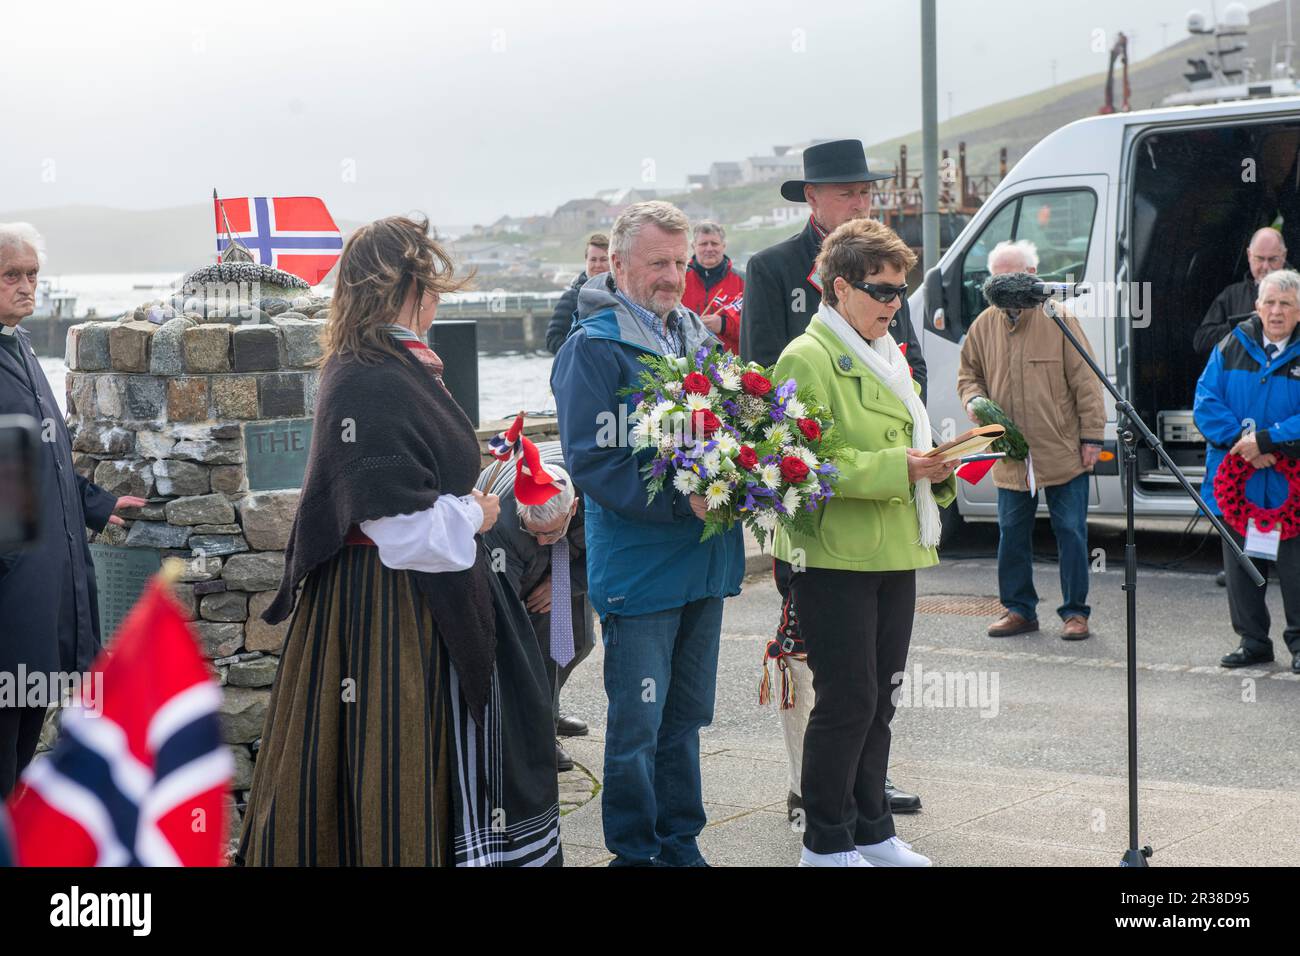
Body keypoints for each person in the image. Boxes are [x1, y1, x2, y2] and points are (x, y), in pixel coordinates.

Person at [238, 216, 560, 866]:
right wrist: (474, 511)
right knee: (390, 771)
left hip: (399, 605)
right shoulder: (371, 378)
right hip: (387, 618)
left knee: (398, 775)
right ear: (406, 287)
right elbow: (403, 531)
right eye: (431, 286)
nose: (438, 301)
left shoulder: (387, 366)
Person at [551, 201, 744, 867]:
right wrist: (678, 506)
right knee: (638, 724)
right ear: (622, 263)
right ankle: (634, 853)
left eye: (681, 262)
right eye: (658, 262)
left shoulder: (695, 334)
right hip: (639, 566)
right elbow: (592, 462)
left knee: (687, 718)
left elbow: (733, 425)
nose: (671, 275)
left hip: (706, 560)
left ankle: (679, 844)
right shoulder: (592, 346)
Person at [742, 138, 926, 817]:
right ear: (812, 198)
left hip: (887, 508)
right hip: (818, 502)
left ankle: (863, 792)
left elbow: (903, 355)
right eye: (847, 191)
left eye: (866, 190)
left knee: (873, 679)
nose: (860, 201)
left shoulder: (885, 261)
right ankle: (813, 792)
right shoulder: (772, 268)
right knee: (817, 661)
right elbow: (761, 383)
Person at [773, 217, 957, 867]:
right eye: (883, 291)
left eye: (900, 291)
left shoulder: (888, 352)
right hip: (836, 555)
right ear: (840, 288)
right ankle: (824, 843)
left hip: (894, 547)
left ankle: (872, 831)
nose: (895, 304)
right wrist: (899, 468)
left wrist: (936, 467)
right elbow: (793, 463)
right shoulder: (806, 355)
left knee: (880, 698)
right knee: (846, 701)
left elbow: (906, 439)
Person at [0, 222, 143, 798]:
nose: (27, 286)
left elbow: (42, 459)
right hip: (11, 599)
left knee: (22, 739)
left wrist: (99, 504)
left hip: (43, 593)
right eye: (12, 275)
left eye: (33, 275)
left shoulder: (22, 348)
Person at [957, 239, 1106, 640]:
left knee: (1071, 533)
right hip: (1009, 453)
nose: (1008, 283)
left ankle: (1075, 613)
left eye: (1016, 275)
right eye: (1000, 276)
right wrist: (974, 399)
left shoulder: (1059, 318)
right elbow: (968, 374)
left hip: (1062, 449)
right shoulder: (983, 324)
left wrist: (1092, 436)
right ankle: (1019, 609)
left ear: (1034, 276)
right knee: (1011, 534)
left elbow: (1086, 381)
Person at [1194, 268, 1300, 675]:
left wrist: (1270, 440)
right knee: (1243, 569)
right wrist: (1248, 443)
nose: (1276, 311)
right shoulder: (1229, 345)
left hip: (1288, 483)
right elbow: (1206, 402)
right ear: (1257, 306)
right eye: (1270, 303)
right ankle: (1253, 642)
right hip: (1237, 478)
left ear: (1297, 310)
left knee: (1295, 569)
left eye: (1286, 304)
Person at [478, 434, 595, 772]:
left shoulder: (594, 498)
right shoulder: (502, 525)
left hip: (568, 561)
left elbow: (608, 556)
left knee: (580, 641)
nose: (543, 539)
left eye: (550, 532)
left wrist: (566, 582)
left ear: (572, 508)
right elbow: (502, 610)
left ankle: (549, 709)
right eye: (535, 532)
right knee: (536, 643)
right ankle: (538, 731)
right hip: (515, 566)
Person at [1193, 228, 1289, 355]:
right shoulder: (1232, 294)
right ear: (1249, 255)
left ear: (1284, 256)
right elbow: (1201, 342)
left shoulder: (1296, 294)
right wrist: (1244, 325)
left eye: (1272, 259)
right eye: (1259, 259)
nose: (1266, 267)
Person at [682, 221, 744, 354]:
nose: (709, 249)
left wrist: (724, 325)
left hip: (732, 366)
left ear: (724, 246)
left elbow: (756, 327)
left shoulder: (744, 281)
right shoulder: (679, 279)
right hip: (687, 363)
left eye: (714, 243)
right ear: (693, 246)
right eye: (703, 244)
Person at [546, 233, 610, 355]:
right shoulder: (570, 299)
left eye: (603, 259)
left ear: (612, 260)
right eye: (593, 259)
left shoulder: (622, 296)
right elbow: (552, 339)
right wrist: (582, 354)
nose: (598, 265)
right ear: (586, 261)